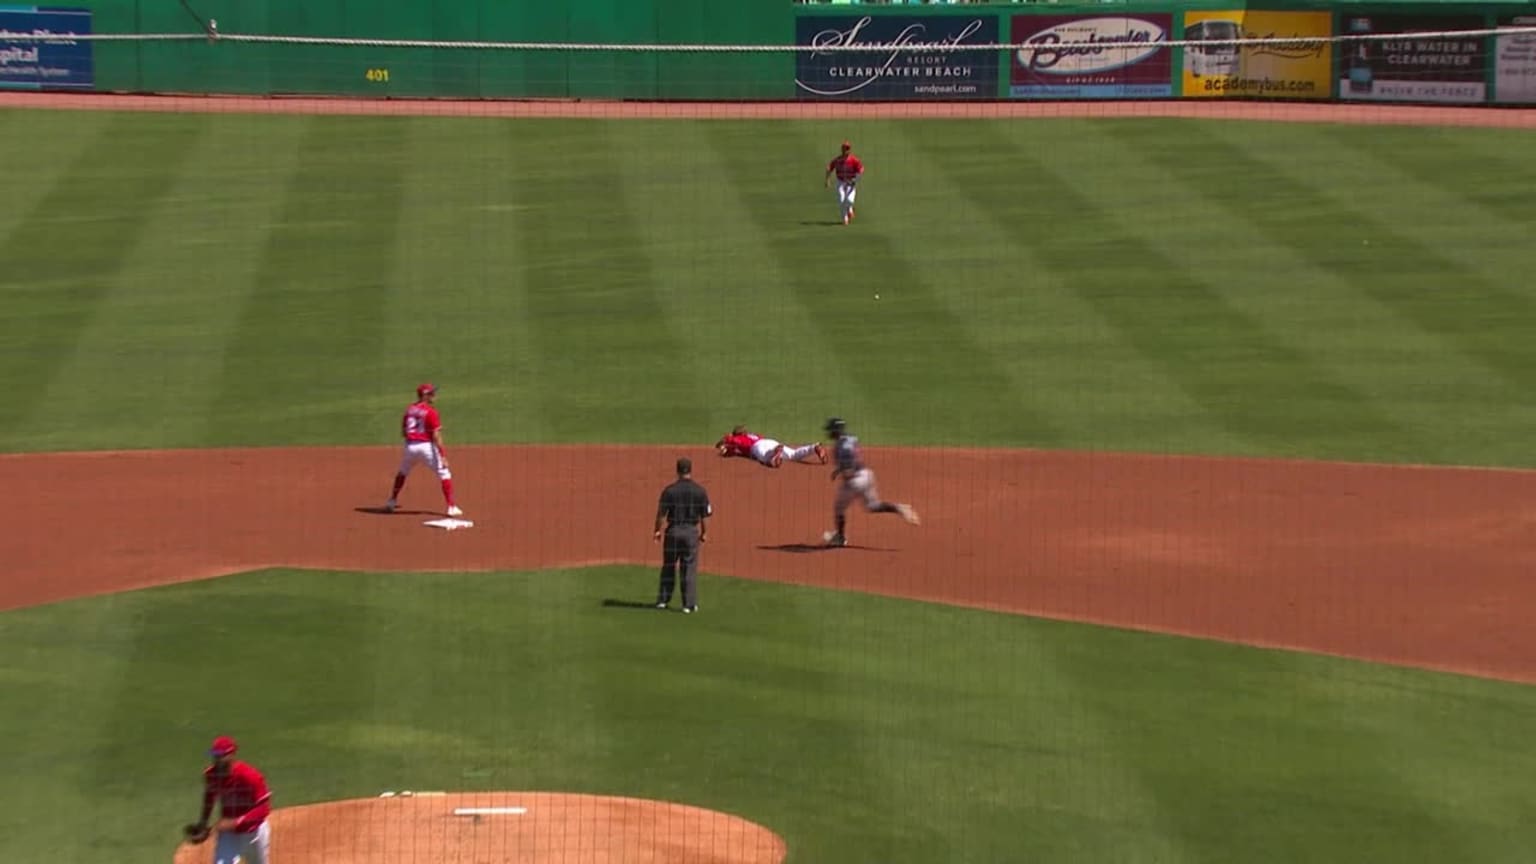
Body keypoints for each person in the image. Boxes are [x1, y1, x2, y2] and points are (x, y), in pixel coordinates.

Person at [822, 417, 919, 547]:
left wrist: (844, 475)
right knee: (872, 506)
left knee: (839, 508)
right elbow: (851, 459)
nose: (829, 432)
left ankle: (840, 537)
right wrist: (840, 470)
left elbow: (849, 470)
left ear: (836, 430)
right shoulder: (851, 438)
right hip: (867, 475)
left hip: (854, 481)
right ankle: (898, 508)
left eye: (831, 430)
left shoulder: (840, 447)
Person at [184, 735, 272, 864]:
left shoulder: (249, 775)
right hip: (229, 833)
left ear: (231, 755)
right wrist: (203, 824)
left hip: (253, 832)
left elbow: (263, 809)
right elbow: (210, 797)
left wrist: (235, 822)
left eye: (221, 756)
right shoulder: (211, 775)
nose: (217, 760)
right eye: (215, 756)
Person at [383, 382, 462, 516]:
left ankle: (392, 501)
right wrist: (442, 456)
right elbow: (436, 435)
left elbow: (403, 431)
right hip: (426, 447)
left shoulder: (409, 409)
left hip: (410, 447)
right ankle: (451, 507)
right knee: (444, 474)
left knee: (402, 472)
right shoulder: (431, 412)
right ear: (425, 395)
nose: (434, 395)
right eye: (431, 393)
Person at [653, 457, 712, 614]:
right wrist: (705, 533)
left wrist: (657, 530)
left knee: (668, 566)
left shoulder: (669, 490)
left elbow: (661, 514)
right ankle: (688, 604)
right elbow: (705, 515)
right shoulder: (700, 491)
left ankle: (662, 601)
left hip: (672, 532)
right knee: (688, 568)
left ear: (677, 470)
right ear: (690, 470)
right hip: (690, 533)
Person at [716, 425, 826, 468]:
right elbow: (734, 450)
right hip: (769, 441)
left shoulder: (738, 438)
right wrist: (728, 449)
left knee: (765, 460)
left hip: (757, 447)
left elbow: (723, 442)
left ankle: (775, 452)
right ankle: (814, 447)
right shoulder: (754, 435)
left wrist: (722, 444)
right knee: (793, 454)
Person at [824, 140, 864, 226]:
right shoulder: (838, 160)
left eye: (847, 148)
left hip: (851, 182)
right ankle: (845, 218)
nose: (846, 150)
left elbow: (861, 170)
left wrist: (855, 180)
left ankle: (850, 209)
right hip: (841, 182)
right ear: (842, 149)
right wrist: (827, 180)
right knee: (841, 200)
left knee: (849, 201)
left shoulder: (854, 160)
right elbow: (829, 168)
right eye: (844, 148)